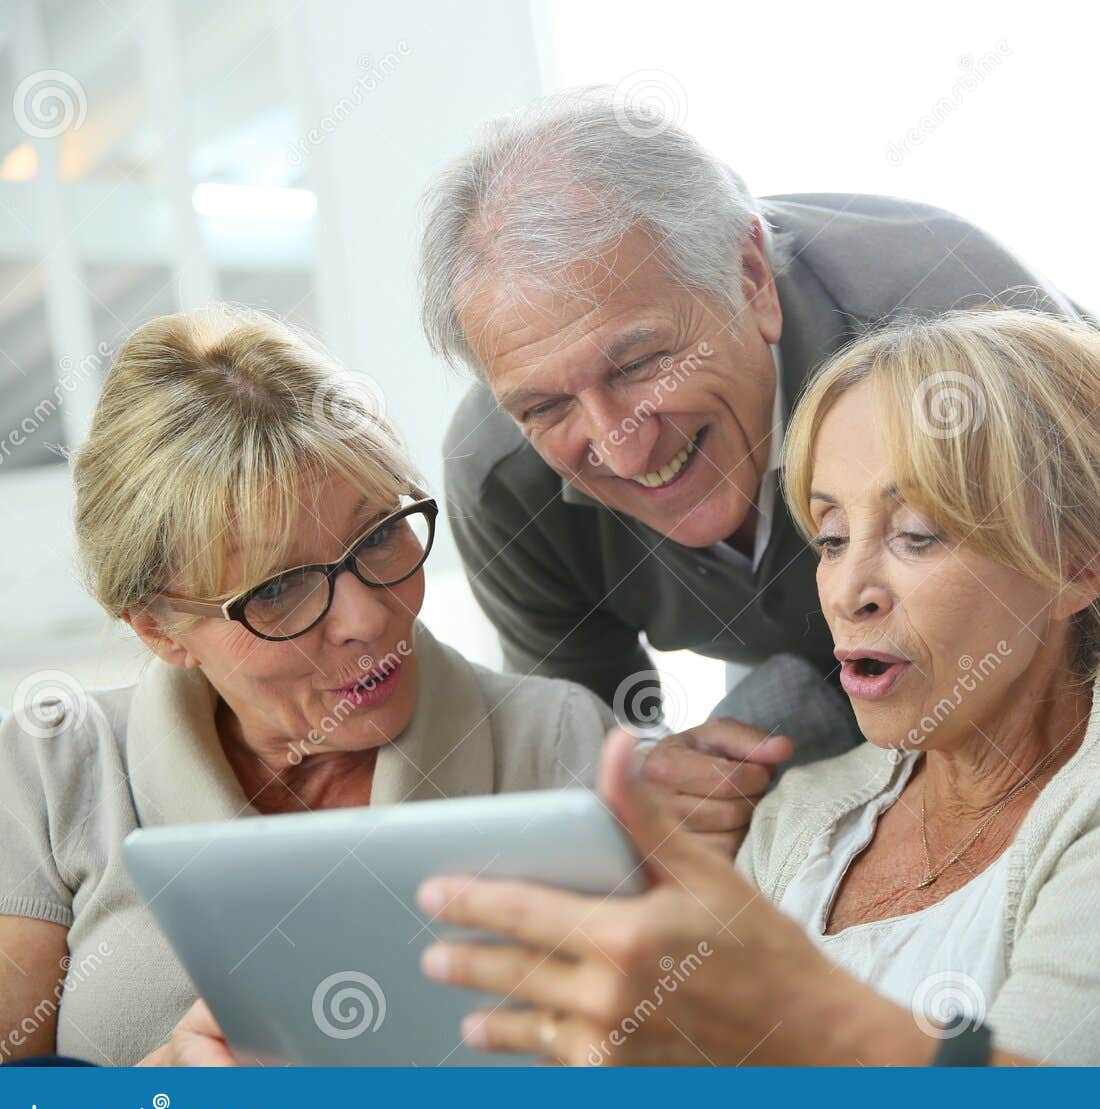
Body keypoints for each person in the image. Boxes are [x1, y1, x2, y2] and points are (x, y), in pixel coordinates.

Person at [412, 310, 1100, 1066]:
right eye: (829, 537)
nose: (848, 589)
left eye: (916, 533)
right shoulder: (804, 811)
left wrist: (794, 1023)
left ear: (1076, 561)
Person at [0, 307, 782, 1067]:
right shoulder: (54, 766)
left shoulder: (553, 742)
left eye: (378, 535)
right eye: (280, 590)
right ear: (159, 629)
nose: (367, 616)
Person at [420, 86, 1100, 755]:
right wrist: (650, 777)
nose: (622, 445)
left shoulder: (957, 315)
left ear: (751, 279)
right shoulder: (500, 478)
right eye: (546, 407)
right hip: (800, 686)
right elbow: (587, 741)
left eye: (639, 364)